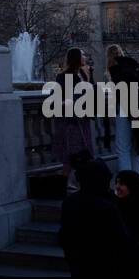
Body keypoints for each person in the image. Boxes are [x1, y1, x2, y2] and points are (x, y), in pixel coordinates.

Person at [57, 159, 139, 278]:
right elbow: (122, 239)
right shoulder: (106, 206)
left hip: (79, 263)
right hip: (104, 265)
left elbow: (64, 235)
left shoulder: (70, 201)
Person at [105, 44, 139, 176]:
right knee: (134, 146)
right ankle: (137, 178)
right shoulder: (132, 67)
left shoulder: (116, 70)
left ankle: (127, 180)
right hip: (137, 106)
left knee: (122, 147)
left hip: (124, 108)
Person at [51, 48, 95, 190]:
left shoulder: (82, 74)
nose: (85, 57)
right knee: (72, 154)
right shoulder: (65, 76)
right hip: (71, 121)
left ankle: (77, 182)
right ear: (76, 58)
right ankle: (64, 184)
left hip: (82, 120)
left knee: (80, 153)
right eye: (82, 55)